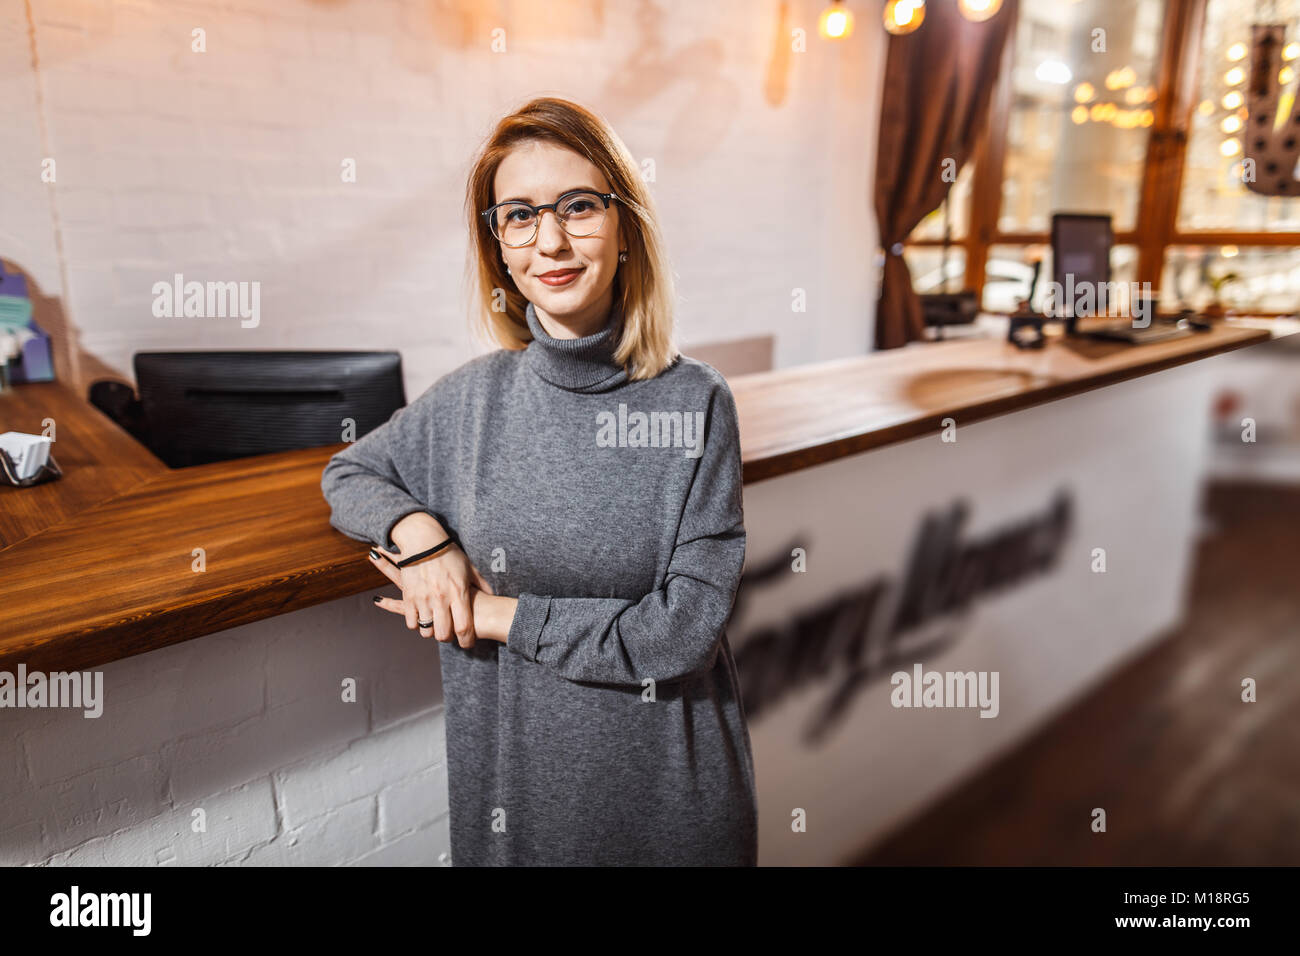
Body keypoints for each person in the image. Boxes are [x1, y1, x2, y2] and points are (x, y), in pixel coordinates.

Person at [320, 96, 757, 866]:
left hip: (667, 800)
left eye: (579, 206)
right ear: (498, 243)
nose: (549, 240)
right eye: (518, 215)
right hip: (515, 797)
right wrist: (421, 538)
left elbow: (681, 630)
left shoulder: (696, 402)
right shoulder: (474, 398)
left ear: (624, 225)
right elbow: (350, 470)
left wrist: (494, 617)